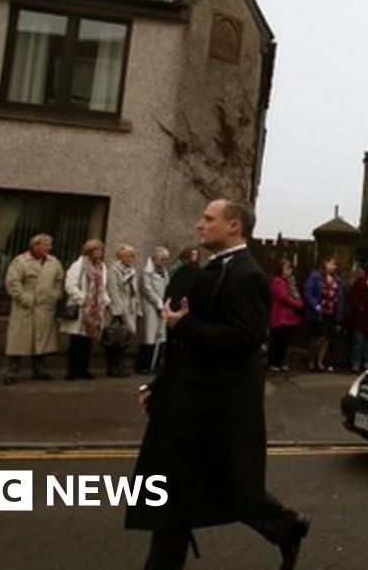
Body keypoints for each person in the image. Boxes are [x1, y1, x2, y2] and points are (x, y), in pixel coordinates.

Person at [126, 199, 310, 570]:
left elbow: (244, 340)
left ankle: (286, 526)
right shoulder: (214, 269)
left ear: (234, 226)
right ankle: (285, 526)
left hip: (211, 409)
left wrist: (184, 326)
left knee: (193, 493)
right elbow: (188, 347)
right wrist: (161, 387)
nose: (199, 225)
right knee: (181, 496)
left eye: (208, 219)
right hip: (187, 402)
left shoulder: (249, 275)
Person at [1, 233, 64, 385]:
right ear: (35, 245)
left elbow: (59, 281)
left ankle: (40, 370)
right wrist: (25, 299)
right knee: (18, 342)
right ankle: (10, 372)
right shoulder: (21, 261)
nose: (49, 248)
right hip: (26, 308)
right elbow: (12, 283)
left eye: (50, 245)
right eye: (46, 244)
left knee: (41, 341)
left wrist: (54, 296)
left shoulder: (53, 262)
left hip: (44, 308)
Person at [61, 239, 110, 380]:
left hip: (95, 309)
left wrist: (105, 300)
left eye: (100, 250)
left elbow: (103, 287)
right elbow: (70, 285)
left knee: (88, 340)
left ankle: (83, 369)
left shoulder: (102, 267)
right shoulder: (78, 265)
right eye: (96, 250)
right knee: (76, 341)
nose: (99, 253)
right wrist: (83, 299)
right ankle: (72, 371)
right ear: (89, 252)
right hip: (82, 307)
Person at [104, 244, 141, 378]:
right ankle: (113, 366)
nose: (130, 258)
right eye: (127, 256)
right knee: (115, 338)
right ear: (120, 257)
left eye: (132, 255)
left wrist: (137, 308)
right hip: (119, 308)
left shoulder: (132, 270)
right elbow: (113, 290)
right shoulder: (113, 270)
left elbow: (135, 291)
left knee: (125, 338)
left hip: (130, 306)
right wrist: (118, 311)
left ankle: (119, 364)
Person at [303, 257, 345, 371]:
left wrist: (339, 314)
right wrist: (315, 305)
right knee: (318, 337)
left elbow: (339, 297)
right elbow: (308, 292)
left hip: (331, 312)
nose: (334, 267)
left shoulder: (337, 279)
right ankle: (311, 358)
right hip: (318, 312)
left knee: (327, 337)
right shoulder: (315, 276)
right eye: (332, 264)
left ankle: (320, 361)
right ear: (325, 263)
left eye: (335, 265)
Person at [136, 247, 171, 375]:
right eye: (162, 259)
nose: (165, 261)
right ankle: (143, 366)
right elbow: (147, 290)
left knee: (160, 335)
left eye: (167, 259)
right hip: (150, 307)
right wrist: (158, 304)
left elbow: (167, 288)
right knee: (149, 336)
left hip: (161, 306)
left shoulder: (164, 272)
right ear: (155, 258)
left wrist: (165, 304)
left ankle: (155, 365)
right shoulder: (147, 272)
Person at [268, 259, 304, 371]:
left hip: (289, 317)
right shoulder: (277, 281)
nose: (289, 271)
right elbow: (283, 297)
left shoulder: (290, 281)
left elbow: (294, 294)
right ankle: (274, 362)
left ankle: (281, 361)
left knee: (285, 341)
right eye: (287, 268)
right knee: (277, 340)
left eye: (290, 268)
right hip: (280, 316)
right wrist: (297, 304)